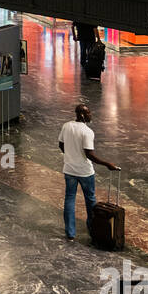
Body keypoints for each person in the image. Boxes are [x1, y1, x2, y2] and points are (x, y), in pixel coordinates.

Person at [58, 103, 118, 242]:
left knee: (69, 199)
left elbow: (61, 144)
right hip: (85, 172)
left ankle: (70, 233)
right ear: (83, 115)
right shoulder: (87, 132)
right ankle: (92, 228)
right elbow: (89, 154)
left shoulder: (66, 126)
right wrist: (107, 164)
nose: (91, 115)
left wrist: (70, 156)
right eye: (89, 113)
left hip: (69, 170)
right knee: (90, 200)